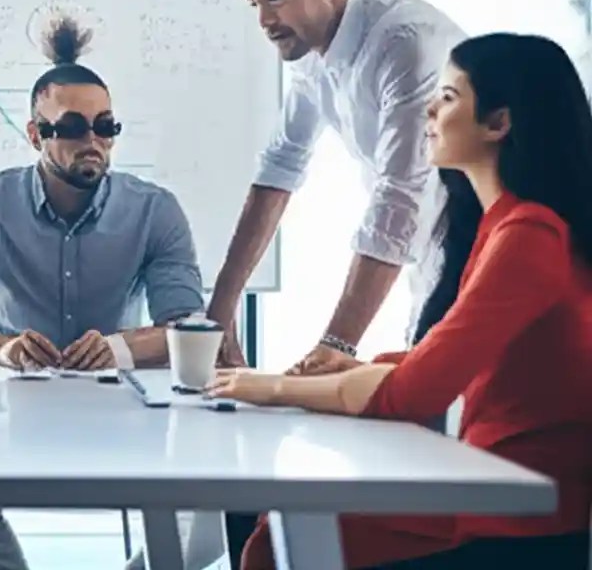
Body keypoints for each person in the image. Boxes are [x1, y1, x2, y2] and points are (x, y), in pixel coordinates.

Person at [208, 33, 592, 569]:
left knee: (278, 537)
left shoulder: (529, 235)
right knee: (270, 523)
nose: (430, 108)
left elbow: (417, 393)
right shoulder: (503, 227)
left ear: (499, 124)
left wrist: (274, 388)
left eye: (449, 97)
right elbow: (439, 365)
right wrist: (359, 370)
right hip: (491, 489)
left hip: (521, 518)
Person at [0, 15, 206, 570]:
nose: (92, 141)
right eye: (70, 127)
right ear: (35, 134)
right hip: (11, 405)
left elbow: (190, 330)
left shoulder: (154, 210)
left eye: (105, 126)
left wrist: (119, 349)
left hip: (125, 409)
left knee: (217, 514)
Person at [208, 0, 466, 375]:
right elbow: (279, 168)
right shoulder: (310, 49)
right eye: (254, 4)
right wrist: (220, 311)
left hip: (484, 237)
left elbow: (399, 197)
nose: (265, 20)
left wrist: (335, 345)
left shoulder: (404, 44)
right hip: (429, 248)